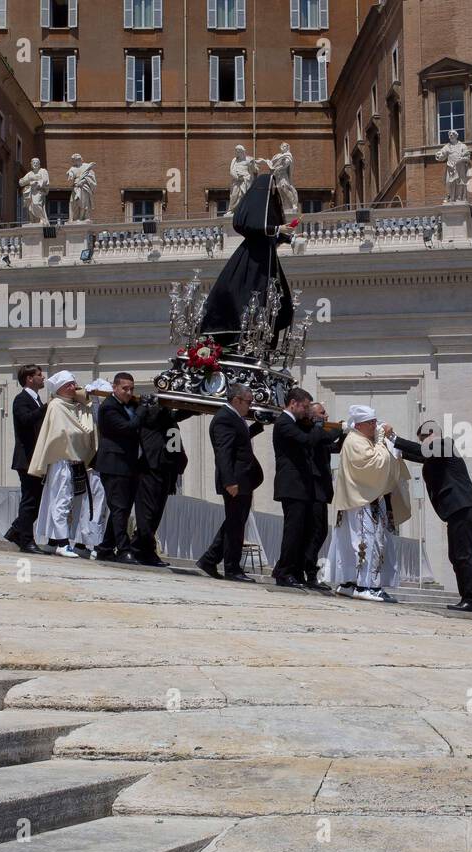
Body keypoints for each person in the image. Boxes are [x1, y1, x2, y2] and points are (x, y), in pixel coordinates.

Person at [389, 420, 472, 613]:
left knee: (464, 555)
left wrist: (394, 438)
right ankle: (468, 598)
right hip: (458, 509)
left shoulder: (444, 444)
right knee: (457, 555)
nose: (422, 444)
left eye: (422, 439)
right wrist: (392, 447)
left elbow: (424, 452)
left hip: (462, 507)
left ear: (430, 434)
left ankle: (471, 601)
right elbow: (418, 455)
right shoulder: (437, 453)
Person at [199, 171, 297, 349]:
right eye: (272, 188)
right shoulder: (253, 213)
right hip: (252, 262)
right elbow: (251, 226)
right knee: (247, 299)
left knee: (275, 303)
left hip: (267, 263)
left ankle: (262, 334)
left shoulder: (267, 214)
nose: (275, 191)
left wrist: (285, 234)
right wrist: (276, 228)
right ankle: (246, 332)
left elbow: (269, 234)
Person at [327, 405, 412, 602]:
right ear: (360, 424)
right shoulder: (355, 441)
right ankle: (365, 585)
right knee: (366, 542)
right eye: (371, 423)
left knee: (361, 541)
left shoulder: (364, 439)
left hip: (364, 500)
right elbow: (376, 463)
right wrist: (383, 440)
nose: (375, 425)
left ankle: (351, 583)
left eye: (375, 421)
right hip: (361, 502)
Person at [28, 371, 107, 558]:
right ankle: (62, 543)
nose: (74, 387)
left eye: (74, 384)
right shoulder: (56, 406)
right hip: (62, 460)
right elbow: (63, 433)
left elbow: (86, 426)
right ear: (60, 388)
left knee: (71, 502)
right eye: (69, 385)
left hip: (76, 462)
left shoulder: (75, 406)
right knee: (60, 501)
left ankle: (54, 541)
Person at [197, 384, 265, 583]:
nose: (250, 406)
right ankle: (232, 568)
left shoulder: (234, 417)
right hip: (235, 480)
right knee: (235, 525)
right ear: (236, 400)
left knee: (235, 522)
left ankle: (209, 560)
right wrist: (229, 481)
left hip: (243, 479)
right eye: (248, 402)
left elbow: (238, 442)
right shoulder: (225, 418)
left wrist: (255, 429)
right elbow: (224, 452)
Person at [271, 388, 335, 589]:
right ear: (294, 403)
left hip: (300, 487)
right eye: (305, 407)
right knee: (293, 531)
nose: (306, 411)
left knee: (302, 532)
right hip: (292, 486)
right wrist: (319, 425)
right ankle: (284, 572)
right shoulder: (283, 423)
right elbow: (307, 441)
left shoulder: (293, 423)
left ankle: (296, 571)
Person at [94, 373, 151, 564]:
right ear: (115, 387)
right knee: (119, 508)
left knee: (123, 508)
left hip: (129, 465)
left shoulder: (130, 405)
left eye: (131, 389)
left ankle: (105, 548)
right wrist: (142, 410)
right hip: (113, 464)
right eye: (125, 388)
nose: (129, 392)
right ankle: (123, 549)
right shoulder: (108, 408)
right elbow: (128, 428)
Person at [134, 398, 191, 567]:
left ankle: (139, 546)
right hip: (151, 469)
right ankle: (145, 550)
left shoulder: (168, 416)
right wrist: (161, 401)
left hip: (167, 469)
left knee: (156, 513)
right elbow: (155, 416)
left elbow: (181, 413)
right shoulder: (152, 414)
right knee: (147, 513)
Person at [5, 364, 46, 555]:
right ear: (29, 379)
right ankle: (26, 541)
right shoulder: (21, 400)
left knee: (37, 500)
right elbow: (26, 420)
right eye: (39, 375)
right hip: (27, 459)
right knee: (30, 500)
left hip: (36, 459)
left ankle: (16, 530)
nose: (43, 377)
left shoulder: (36, 400)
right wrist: (47, 408)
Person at [306, 402, 344, 586]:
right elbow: (328, 437)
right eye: (322, 413)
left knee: (319, 531)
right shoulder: (313, 432)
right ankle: (309, 568)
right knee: (316, 531)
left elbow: (334, 448)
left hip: (321, 490)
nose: (326, 416)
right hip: (313, 489)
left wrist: (344, 435)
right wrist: (341, 428)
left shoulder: (321, 435)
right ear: (313, 416)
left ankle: (308, 567)